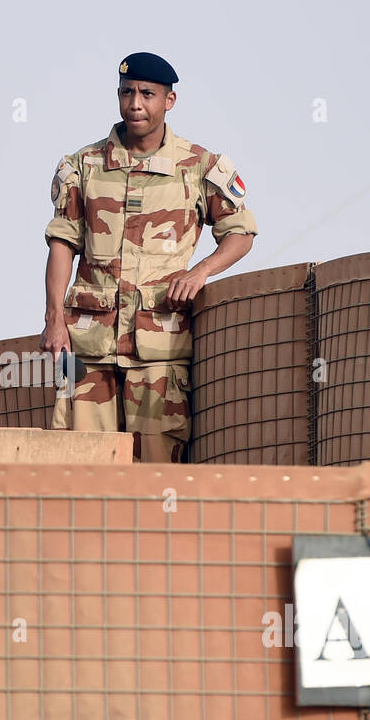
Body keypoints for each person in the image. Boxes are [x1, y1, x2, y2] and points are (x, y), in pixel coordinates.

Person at [41, 52, 258, 462]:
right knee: (77, 467)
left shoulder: (198, 166)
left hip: (161, 349)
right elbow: (62, 243)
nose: (135, 104)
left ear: (169, 101)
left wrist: (200, 273)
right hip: (86, 349)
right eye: (126, 93)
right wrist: (54, 320)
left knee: (156, 472)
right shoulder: (83, 165)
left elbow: (240, 232)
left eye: (146, 94)